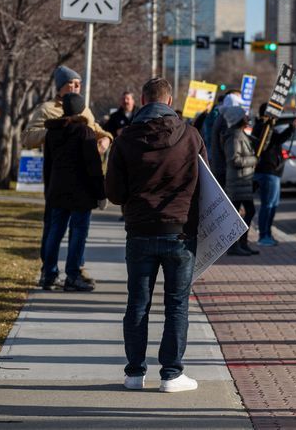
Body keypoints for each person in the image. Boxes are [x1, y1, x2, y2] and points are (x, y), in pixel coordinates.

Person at [105, 77, 205, 393]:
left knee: (137, 303)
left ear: (144, 100)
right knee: (176, 304)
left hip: (139, 231)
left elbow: (115, 194)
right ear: (170, 100)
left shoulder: (124, 140)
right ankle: (171, 375)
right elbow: (207, 186)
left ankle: (134, 373)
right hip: (180, 232)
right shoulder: (190, 136)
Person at [24, 66, 111, 289]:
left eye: (77, 84)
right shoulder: (47, 110)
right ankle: (50, 271)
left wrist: (106, 139)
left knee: (69, 228)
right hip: (63, 181)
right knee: (56, 228)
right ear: (59, 86)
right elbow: (27, 138)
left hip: (67, 183)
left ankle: (75, 269)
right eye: (70, 83)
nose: (74, 87)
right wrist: (59, 132)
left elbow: (97, 130)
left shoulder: (84, 111)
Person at [40, 93, 106, 292]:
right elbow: (93, 166)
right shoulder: (84, 132)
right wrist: (100, 193)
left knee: (55, 232)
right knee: (77, 234)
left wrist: (48, 190)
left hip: (57, 191)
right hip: (81, 193)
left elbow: (48, 166)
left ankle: (49, 274)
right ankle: (73, 275)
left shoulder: (52, 133)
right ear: (80, 109)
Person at [251, 104, 296, 246]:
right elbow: (275, 140)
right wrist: (291, 128)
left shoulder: (266, 126)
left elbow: (277, 139)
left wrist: (291, 128)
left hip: (272, 171)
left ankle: (267, 234)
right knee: (268, 204)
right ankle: (263, 235)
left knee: (273, 204)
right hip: (267, 171)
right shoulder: (263, 127)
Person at [222, 105, 259, 256]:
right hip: (237, 182)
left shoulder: (240, 134)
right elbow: (233, 159)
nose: (247, 118)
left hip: (243, 182)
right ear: (238, 119)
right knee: (242, 213)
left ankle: (242, 243)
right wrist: (253, 159)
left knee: (247, 212)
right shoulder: (235, 136)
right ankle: (234, 245)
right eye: (244, 116)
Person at [204, 90, 243, 187]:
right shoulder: (225, 121)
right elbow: (229, 147)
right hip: (222, 167)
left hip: (220, 165)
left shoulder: (222, 119)